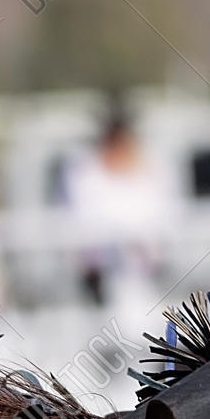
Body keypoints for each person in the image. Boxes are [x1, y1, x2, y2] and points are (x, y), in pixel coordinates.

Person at [61, 103, 167, 307]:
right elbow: (82, 218)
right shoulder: (83, 169)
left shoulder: (153, 165)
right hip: (98, 273)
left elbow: (164, 215)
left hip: (148, 269)